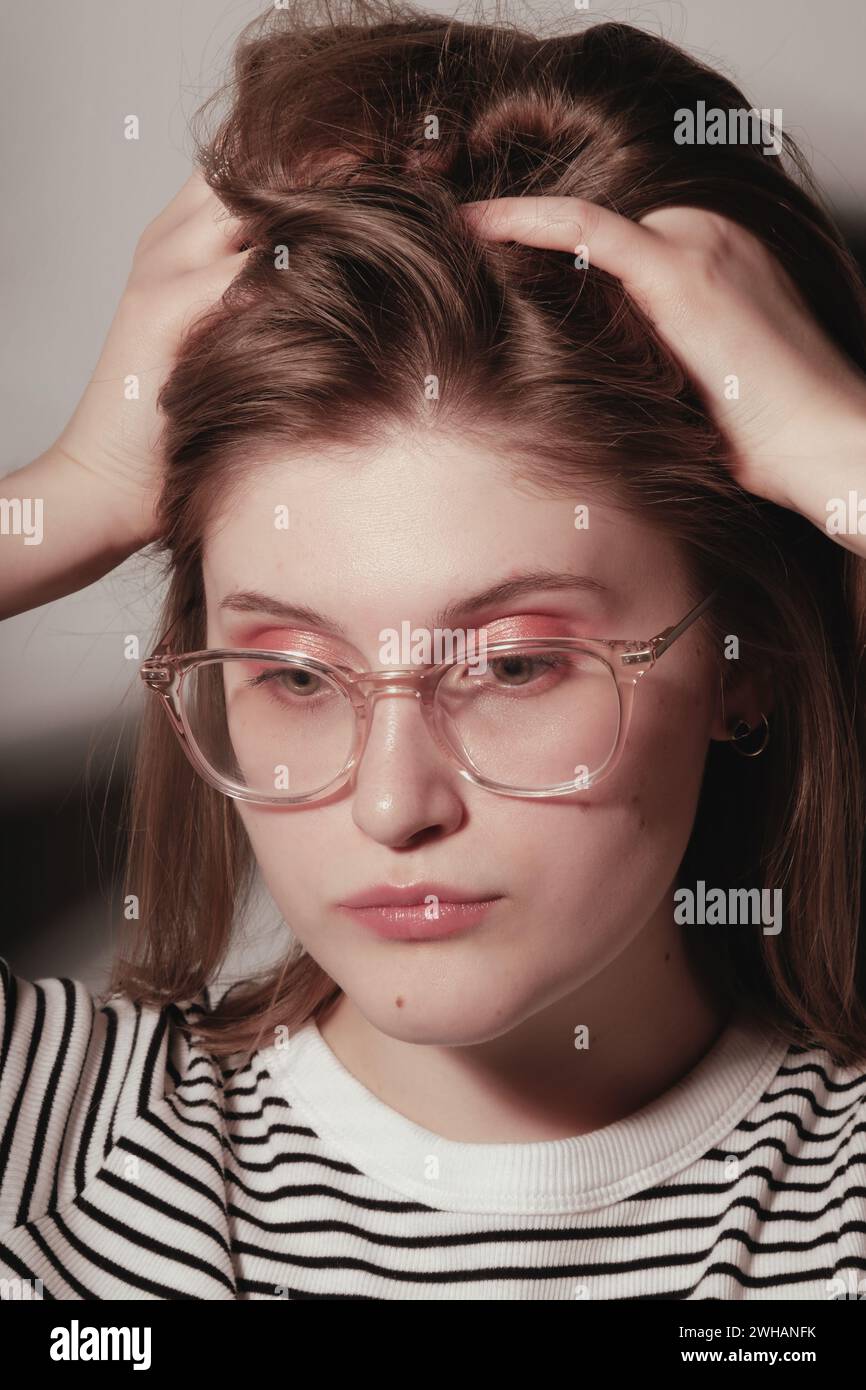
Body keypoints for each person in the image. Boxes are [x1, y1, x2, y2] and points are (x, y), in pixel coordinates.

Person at [2, 0, 866, 1301]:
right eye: (294, 673)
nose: (393, 802)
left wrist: (837, 455)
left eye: (514, 665)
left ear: (741, 657)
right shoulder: (51, 1139)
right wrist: (70, 493)